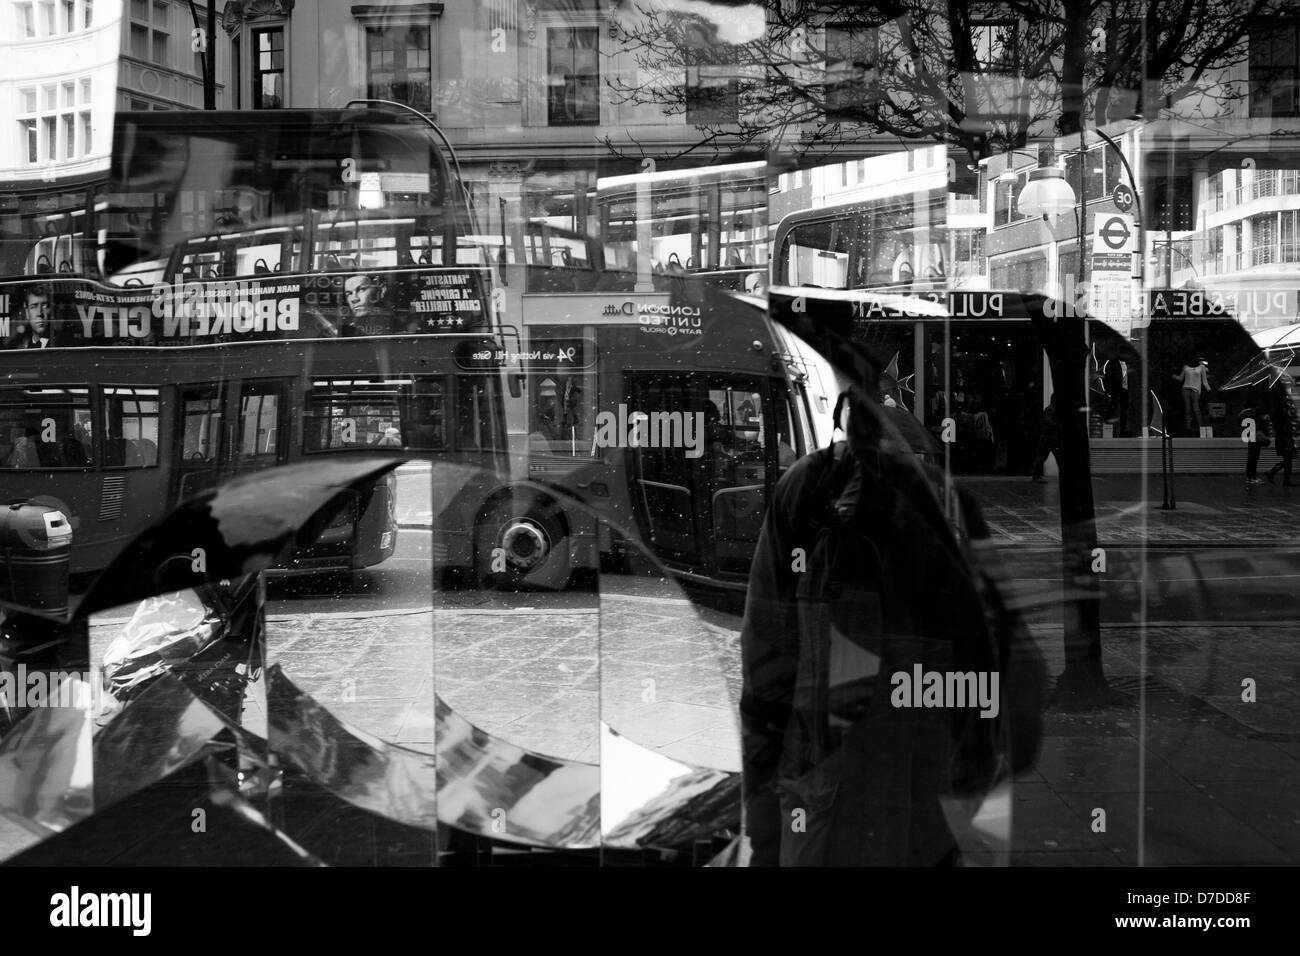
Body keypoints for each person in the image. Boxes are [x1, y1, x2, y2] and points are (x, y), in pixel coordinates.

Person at [740, 361, 1045, 866]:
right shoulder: (946, 502)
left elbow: (766, 661)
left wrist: (764, 820)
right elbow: (1009, 653)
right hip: (922, 790)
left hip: (828, 792)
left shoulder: (805, 489)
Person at [1265, 375, 1299, 486]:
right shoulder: (1282, 408)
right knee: (1288, 458)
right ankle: (1281, 478)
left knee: (1288, 458)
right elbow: (1284, 424)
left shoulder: (1280, 407)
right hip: (1285, 437)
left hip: (1283, 436)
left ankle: (1274, 473)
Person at [1238, 392, 1271, 484]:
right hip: (1254, 436)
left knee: (1251, 457)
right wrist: (1262, 419)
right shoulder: (1253, 412)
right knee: (1254, 457)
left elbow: (1242, 423)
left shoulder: (1243, 413)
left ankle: (1250, 477)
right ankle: (1252, 477)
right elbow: (1258, 424)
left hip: (1249, 435)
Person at [1030, 396, 1060, 482]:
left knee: (1043, 457)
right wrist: (1057, 425)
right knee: (1042, 457)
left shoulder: (1051, 409)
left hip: (1049, 438)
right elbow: (1048, 421)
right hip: (1048, 439)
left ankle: (1036, 475)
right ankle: (1036, 475)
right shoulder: (1051, 409)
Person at [1175, 358, 1208, 434]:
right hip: (1185, 389)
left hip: (1195, 390)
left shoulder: (1201, 367)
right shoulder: (1186, 367)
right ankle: (1188, 429)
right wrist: (1173, 376)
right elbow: (1181, 379)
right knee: (1187, 409)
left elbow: (1204, 381)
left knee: (1196, 409)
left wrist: (1208, 389)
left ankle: (1201, 429)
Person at [1102, 356, 1130, 437]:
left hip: (1125, 391)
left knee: (1124, 412)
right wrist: (1108, 391)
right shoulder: (1113, 363)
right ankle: (1107, 428)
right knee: (1113, 408)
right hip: (1117, 391)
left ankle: (1122, 432)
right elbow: (1108, 377)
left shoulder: (1127, 363)